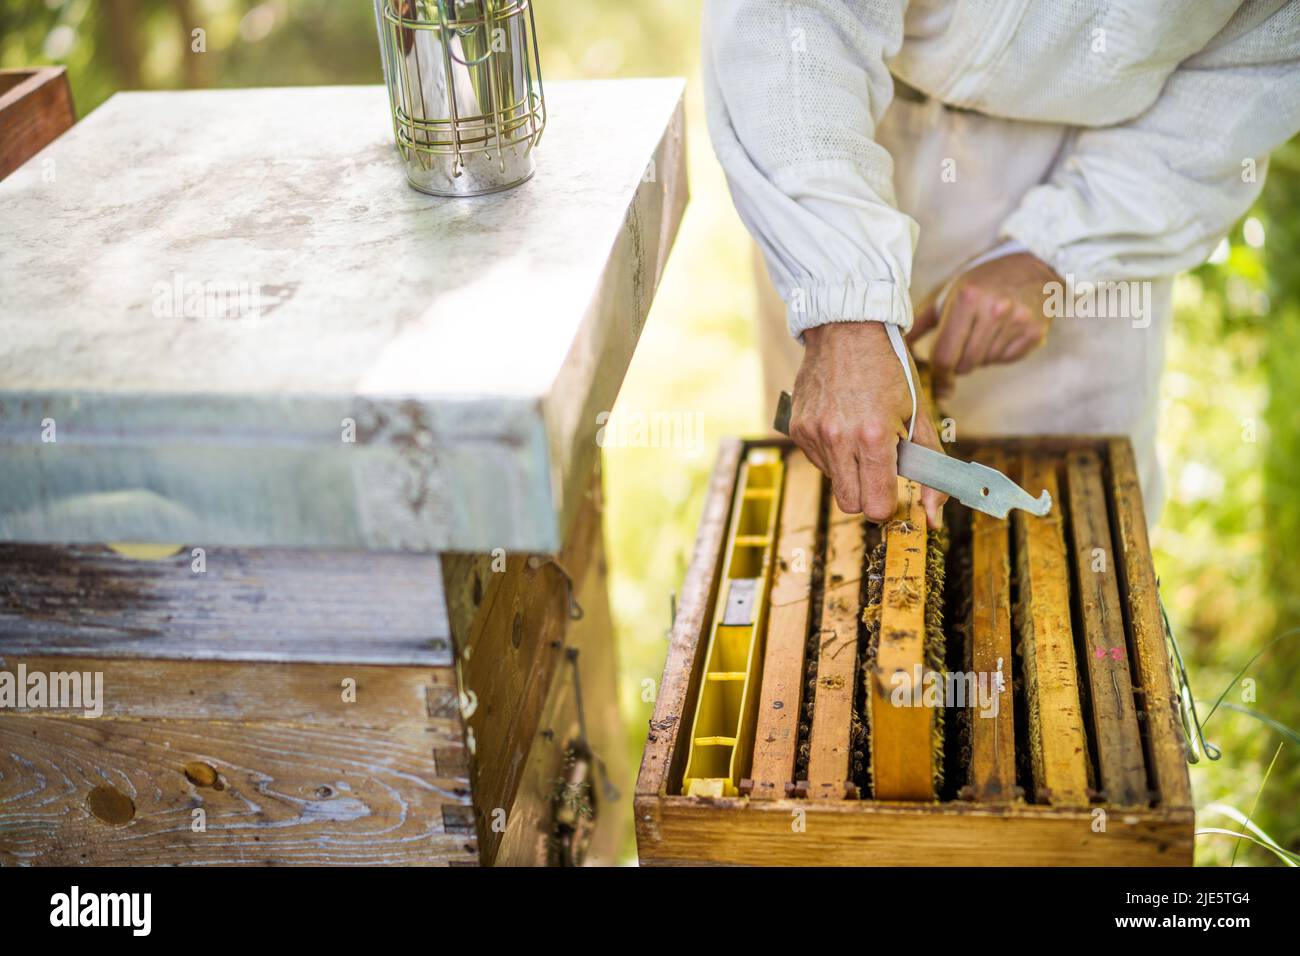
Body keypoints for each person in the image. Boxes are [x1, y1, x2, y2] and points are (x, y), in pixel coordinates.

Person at [704, 0, 1300, 528]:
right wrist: (842, 308)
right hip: (845, 143)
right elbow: (791, 20)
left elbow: (1254, 71)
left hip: (1114, 165)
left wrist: (1057, 249)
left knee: (1079, 529)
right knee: (834, 488)